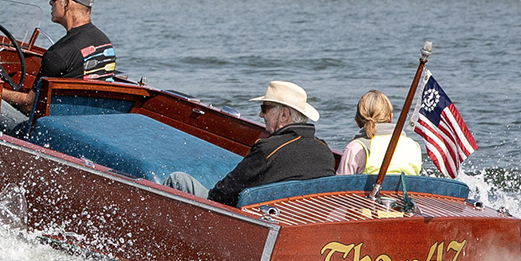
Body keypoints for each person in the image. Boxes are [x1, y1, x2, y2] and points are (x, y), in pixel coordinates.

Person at [164, 81, 335, 206]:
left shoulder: (268, 149)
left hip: (251, 225)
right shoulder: (325, 151)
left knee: (178, 180)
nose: (261, 115)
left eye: (264, 108)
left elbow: (221, 194)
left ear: (284, 115)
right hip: (297, 221)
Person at [0, 0, 115, 131]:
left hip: (54, 132)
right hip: (90, 126)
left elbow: (28, 105)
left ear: (66, 3)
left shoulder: (58, 54)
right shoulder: (105, 43)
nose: (50, 2)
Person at [336, 90, 422, 176]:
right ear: (390, 117)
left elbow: (341, 187)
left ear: (357, 120)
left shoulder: (355, 148)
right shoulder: (413, 145)